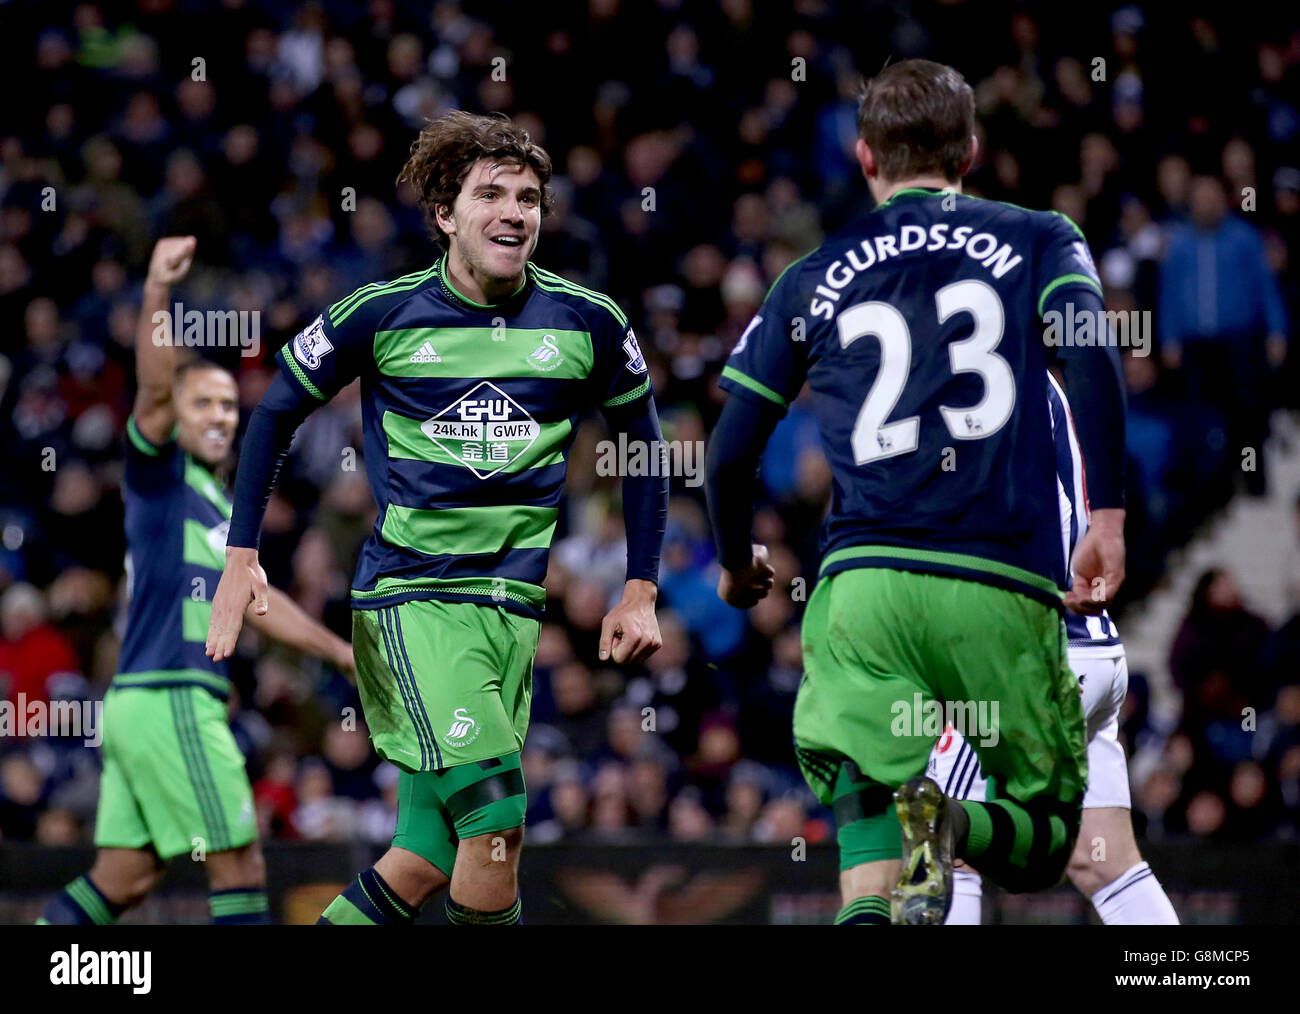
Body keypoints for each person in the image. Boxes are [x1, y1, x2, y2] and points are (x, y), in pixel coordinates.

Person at [205, 112, 668, 927]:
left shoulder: (587, 321)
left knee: (424, 858)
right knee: (497, 825)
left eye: (528, 197)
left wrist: (640, 587)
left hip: (513, 614)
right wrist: (242, 554)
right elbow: (275, 411)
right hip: (414, 602)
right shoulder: (381, 314)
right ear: (446, 216)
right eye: (489, 194)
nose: (513, 212)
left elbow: (645, 444)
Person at [704, 59, 1127, 924]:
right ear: (970, 150)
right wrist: (1109, 516)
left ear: (864, 157)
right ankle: (954, 824)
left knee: (863, 795)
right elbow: (1092, 357)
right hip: (999, 584)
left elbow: (727, 453)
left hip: (863, 585)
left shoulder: (811, 274)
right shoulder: (1040, 235)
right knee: (1051, 839)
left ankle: (902, 850)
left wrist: (735, 557)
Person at [39, 236, 354, 926]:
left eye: (226, 405)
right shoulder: (159, 479)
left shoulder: (217, 509)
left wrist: (340, 654)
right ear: (174, 418)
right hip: (173, 695)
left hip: (139, 703)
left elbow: (261, 605)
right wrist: (156, 290)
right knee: (239, 863)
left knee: (123, 878)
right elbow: (153, 387)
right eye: (202, 404)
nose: (220, 416)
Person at [933, 373, 1177, 925]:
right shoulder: (1039, 376)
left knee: (942, 843)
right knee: (1106, 862)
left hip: (1021, 655)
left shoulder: (961, 369)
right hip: (1090, 653)